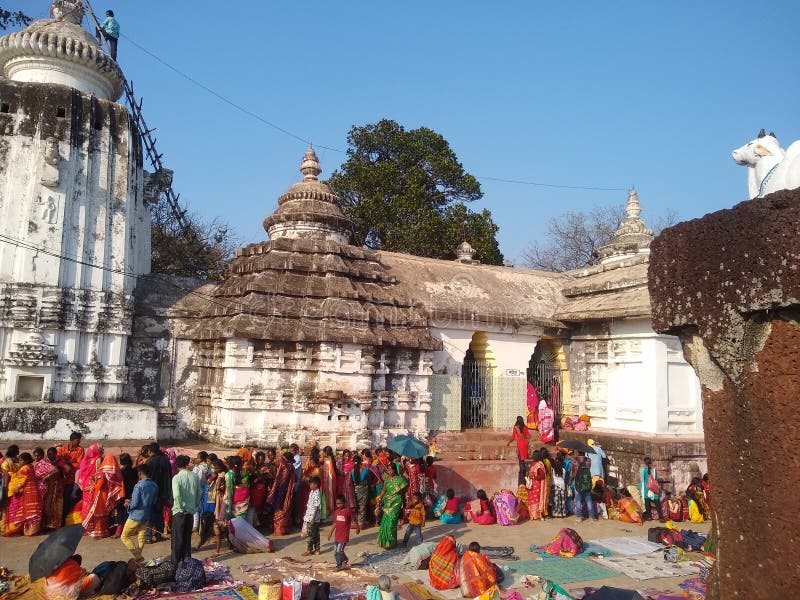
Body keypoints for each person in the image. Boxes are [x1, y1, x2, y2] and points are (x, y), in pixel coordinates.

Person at [121, 463, 158, 562]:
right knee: (141, 537)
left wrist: (128, 504)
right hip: (147, 514)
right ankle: (138, 556)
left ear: (140, 473)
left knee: (124, 536)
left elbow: (135, 502)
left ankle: (138, 556)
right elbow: (153, 501)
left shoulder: (139, 485)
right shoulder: (154, 485)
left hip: (136, 515)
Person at [171, 455, 201, 565]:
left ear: (177, 465)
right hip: (190, 512)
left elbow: (177, 496)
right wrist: (194, 506)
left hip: (179, 512)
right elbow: (199, 493)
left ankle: (175, 564)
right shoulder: (195, 476)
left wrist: (181, 508)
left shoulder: (176, 478)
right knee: (187, 539)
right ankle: (187, 562)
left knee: (177, 540)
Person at [5, 452, 41, 536]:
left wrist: (17, 487)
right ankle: (32, 530)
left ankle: (26, 530)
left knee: (26, 510)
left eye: (21, 460)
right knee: (32, 510)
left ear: (27, 460)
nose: (20, 462)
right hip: (34, 490)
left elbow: (24, 480)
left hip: (28, 491)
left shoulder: (24, 468)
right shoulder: (31, 466)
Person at [144, 443, 172, 542]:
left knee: (149, 514)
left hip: (151, 491)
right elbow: (169, 476)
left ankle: (148, 536)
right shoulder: (166, 461)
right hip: (163, 491)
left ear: (150, 451)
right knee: (159, 514)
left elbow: (146, 477)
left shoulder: (150, 462)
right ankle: (159, 534)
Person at [376, 462, 408, 549]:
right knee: (385, 521)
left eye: (390, 470)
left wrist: (406, 499)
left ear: (395, 470)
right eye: (388, 470)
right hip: (387, 503)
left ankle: (391, 542)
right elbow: (383, 490)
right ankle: (384, 541)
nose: (389, 471)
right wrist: (379, 498)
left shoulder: (400, 480)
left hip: (396, 502)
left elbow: (405, 491)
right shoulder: (386, 480)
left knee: (392, 521)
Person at [266, 452, 296, 536]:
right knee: (286, 509)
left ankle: (279, 529)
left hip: (281, 492)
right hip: (288, 492)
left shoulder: (284, 467)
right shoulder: (291, 467)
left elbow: (280, 481)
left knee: (279, 509)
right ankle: (284, 528)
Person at [33, 447, 61, 531]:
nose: (36, 458)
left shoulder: (43, 463)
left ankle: (43, 526)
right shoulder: (37, 463)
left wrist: (46, 477)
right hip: (38, 486)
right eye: (35, 456)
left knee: (42, 506)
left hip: (42, 487)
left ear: (42, 456)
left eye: (38, 456)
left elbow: (55, 470)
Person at [328, 494, 359, 570]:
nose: (338, 505)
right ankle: (341, 563)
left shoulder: (348, 511)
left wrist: (357, 528)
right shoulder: (336, 512)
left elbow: (353, 520)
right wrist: (330, 533)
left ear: (344, 502)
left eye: (340, 503)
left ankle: (343, 563)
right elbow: (335, 523)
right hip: (337, 536)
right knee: (335, 552)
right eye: (337, 504)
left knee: (340, 550)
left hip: (344, 536)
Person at [58, 432, 85, 519]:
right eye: (78, 440)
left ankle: (65, 518)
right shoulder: (62, 449)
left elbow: (80, 464)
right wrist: (64, 465)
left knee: (68, 499)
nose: (79, 442)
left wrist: (69, 464)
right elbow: (57, 460)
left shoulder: (80, 450)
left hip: (72, 479)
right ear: (72, 440)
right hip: (61, 478)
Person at [571, 451, 597, 521]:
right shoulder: (588, 460)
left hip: (578, 482)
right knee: (588, 499)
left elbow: (573, 473)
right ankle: (592, 516)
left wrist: (571, 479)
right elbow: (588, 468)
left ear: (578, 452)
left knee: (578, 500)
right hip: (587, 482)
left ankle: (579, 517)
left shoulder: (575, 461)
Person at [638, 457, 663, 521]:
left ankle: (649, 517)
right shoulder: (654, 470)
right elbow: (655, 480)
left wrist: (640, 490)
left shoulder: (642, 470)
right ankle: (661, 517)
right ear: (650, 463)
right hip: (653, 489)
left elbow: (641, 481)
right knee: (657, 503)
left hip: (646, 489)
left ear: (644, 463)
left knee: (647, 503)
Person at [508, 416, 531, 485]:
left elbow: (512, 437)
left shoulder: (515, 427)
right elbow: (529, 436)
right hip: (525, 443)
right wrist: (526, 439)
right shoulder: (525, 427)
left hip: (520, 444)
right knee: (523, 459)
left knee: (521, 459)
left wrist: (509, 443)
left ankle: (522, 474)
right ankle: (524, 473)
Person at [302, 476, 322, 556]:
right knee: (316, 534)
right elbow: (310, 505)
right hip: (310, 516)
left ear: (316, 485)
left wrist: (313, 518)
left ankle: (309, 550)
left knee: (310, 535)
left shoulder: (317, 493)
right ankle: (317, 549)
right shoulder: (312, 492)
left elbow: (317, 506)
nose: (310, 485)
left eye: (311, 484)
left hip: (312, 518)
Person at [525, 450, 547, 521]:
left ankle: (537, 514)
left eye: (534, 455)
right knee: (532, 499)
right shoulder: (533, 464)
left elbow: (542, 476)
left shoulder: (539, 465)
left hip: (537, 485)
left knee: (536, 499)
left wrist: (534, 477)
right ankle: (532, 515)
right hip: (532, 485)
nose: (533, 456)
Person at [321, 446, 337, 519]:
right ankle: (326, 513)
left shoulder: (332, 460)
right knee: (325, 495)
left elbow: (333, 471)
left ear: (326, 452)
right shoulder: (322, 459)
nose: (323, 453)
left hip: (330, 480)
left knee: (330, 495)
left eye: (324, 452)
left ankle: (331, 513)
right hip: (324, 479)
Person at [550, 453, 568, 518]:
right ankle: (563, 513)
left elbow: (552, 478)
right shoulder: (563, 470)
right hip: (562, 485)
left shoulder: (553, 470)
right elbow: (563, 478)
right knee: (562, 500)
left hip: (555, 485)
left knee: (556, 500)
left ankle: (556, 513)